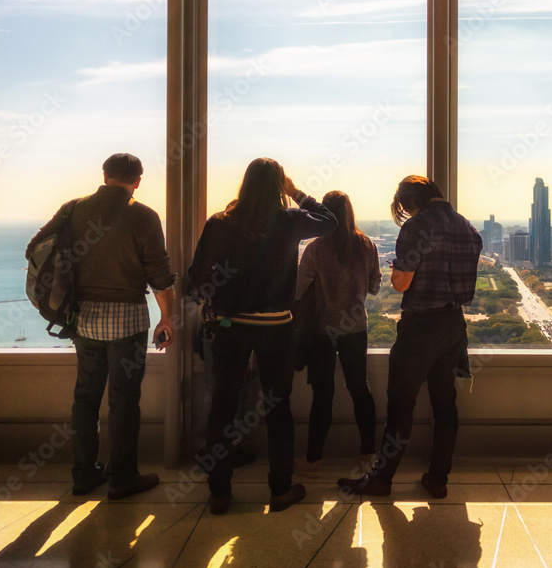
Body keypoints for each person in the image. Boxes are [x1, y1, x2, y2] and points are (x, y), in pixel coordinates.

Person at [187, 158, 337, 514]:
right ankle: (280, 489)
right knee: (277, 407)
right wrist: (296, 191)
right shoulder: (290, 220)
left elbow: (198, 277)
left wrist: (220, 296)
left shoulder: (221, 223)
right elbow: (331, 221)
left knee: (221, 409)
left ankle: (220, 492)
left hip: (230, 324)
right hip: (276, 326)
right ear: (277, 186)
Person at [26, 153, 176, 500]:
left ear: (104, 175)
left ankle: (83, 474)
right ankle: (122, 477)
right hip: (128, 320)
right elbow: (159, 274)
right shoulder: (144, 216)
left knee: (86, 397)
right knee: (124, 401)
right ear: (138, 181)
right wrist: (166, 318)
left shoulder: (74, 209)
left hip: (84, 319)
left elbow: (36, 248)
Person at [338, 176, 482, 499]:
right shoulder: (467, 227)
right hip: (453, 326)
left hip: (421, 328)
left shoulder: (417, 228)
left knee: (401, 405)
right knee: (445, 404)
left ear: (407, 204)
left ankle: (381, 479)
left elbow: (402, 283)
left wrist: (395, 271)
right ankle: (438, 478)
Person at [293, 191, 381, 478]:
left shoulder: (316, 249)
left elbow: (298, 290)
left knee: (322, 394)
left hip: (322, 329)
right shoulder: (366, 245)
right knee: (360, 390)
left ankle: (314, 460)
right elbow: (374, 287)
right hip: (356, 327)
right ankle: (368, 454)